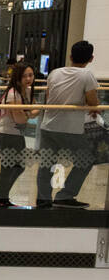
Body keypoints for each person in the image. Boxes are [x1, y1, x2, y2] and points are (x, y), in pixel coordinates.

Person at [36, 40, 100, 207]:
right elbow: (93, 101)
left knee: (46, 163)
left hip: (48, 125)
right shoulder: (87, 75)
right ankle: (65, 195)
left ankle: (43, 198)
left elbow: (49, 98)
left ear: (70, 56)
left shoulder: (55, 73)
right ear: (91, 59)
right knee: (86, 160)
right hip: (70, 128)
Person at [0, 62, 40, 208]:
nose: (28, 78)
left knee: (18, 166)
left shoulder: (26, 91)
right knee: (9, 167)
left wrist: (28, 113)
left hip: (16, 134)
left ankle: (2, 197)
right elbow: (21, 118)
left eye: (30, 75)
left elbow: (34, 109)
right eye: (24, 76)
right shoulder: (13, 94)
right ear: (17, 78)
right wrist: (29, 113)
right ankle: (2, 199)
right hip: (7, 135)